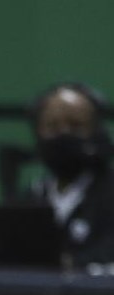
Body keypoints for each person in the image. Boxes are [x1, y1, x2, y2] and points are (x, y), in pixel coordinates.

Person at [26, 83, 114, 271]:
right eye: (52, 127)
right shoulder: (31, 197)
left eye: (75, 126)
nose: (63, 135)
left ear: (97, 131)